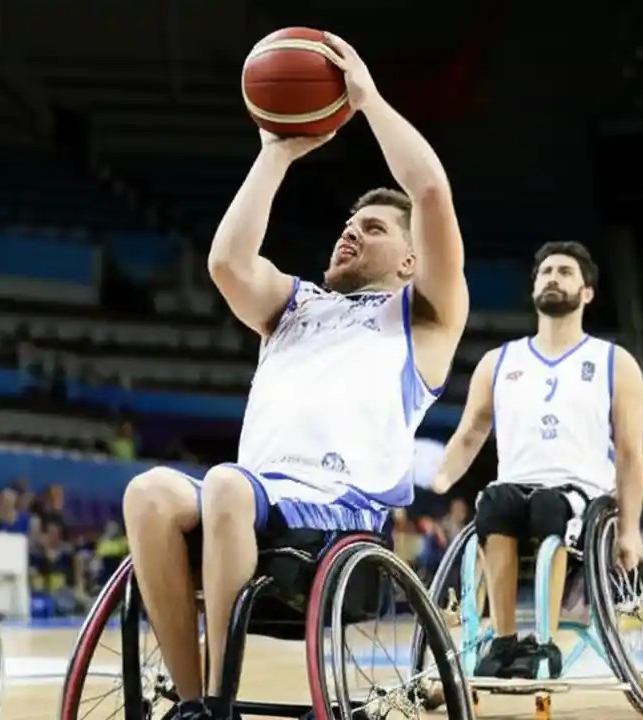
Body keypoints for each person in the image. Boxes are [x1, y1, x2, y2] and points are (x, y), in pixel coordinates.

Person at [121, 33, 470, 720]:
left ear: (409, 259)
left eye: (371, 227)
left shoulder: (424, 316)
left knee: (222, 482)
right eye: (347, 222)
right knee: (150, 492)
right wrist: (273, 152)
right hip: (251, 507)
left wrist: (366, 101)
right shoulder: (295, 305)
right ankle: (194, 704)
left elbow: (429, 190)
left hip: (338, 521)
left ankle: (217, 702)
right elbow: (227, 264)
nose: (350, 232)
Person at [431, 241, 643, 679]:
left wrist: (630, 530)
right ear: (533, 288)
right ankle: (505, 642)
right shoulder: (499, 362)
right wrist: (434, 484)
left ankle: (545, 644)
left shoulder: (614, 362)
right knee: (492, 503)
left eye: (565, 272)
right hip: (517, 487)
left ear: (587, 292)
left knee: (550, 505)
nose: (552, 277)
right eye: (545, 271)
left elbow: (629, 452)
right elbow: (470, 433)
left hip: (582, 495)